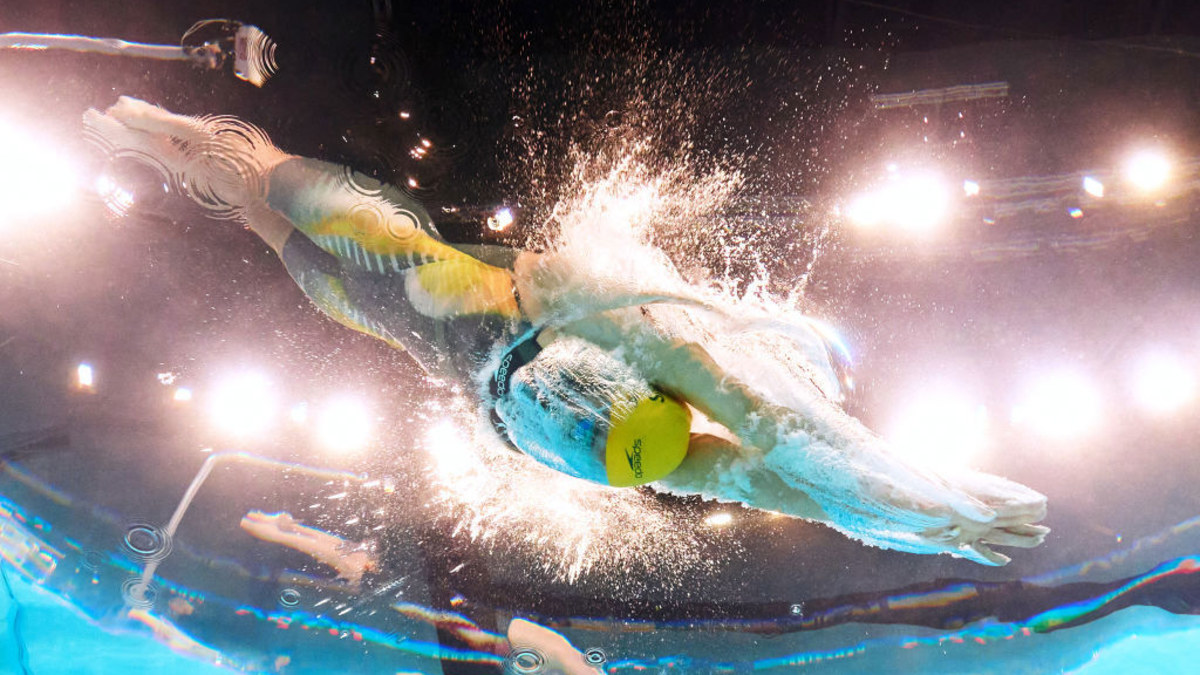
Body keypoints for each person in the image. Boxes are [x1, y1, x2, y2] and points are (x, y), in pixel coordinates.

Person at [84, 97, 1049, 566]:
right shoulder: (659, 361)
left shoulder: (648, 402)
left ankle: (162, 145)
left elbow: (782, 465)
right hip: (462, 315)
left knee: (279, 224)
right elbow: (783, 453)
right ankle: (155, 126)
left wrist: (919, 517)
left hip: (452, 341)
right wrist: (922, 505)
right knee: (284, 195)